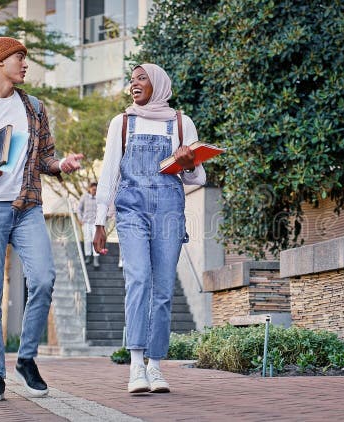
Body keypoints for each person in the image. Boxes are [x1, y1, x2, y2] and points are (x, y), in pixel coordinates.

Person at [0, 37, 83, 402]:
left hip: (27, 207)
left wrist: (61, 165)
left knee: (43, 278)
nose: (25, 65)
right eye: (20, 58)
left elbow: (45, 158)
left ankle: (26, 358)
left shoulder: (34, 108)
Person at [93, 63, 205, 394]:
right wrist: (100, 220)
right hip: (131, 213)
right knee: (138, 279)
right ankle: (135, 366)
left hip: (169, 213)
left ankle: (155, 367)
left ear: (158, 83)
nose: (134, 85)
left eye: (141, 78)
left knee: (164, 288)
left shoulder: (182, 124)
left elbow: (198, 178)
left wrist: (187, 164)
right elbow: (110, 171)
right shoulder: (122, 123)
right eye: (131, 80)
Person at [76, 182, 100, 268]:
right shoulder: (84, 197)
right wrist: (80, 219)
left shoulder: (99, 198)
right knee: (87, 239)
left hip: (95, 223)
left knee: (95, 241)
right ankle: (88, 257)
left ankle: (96, 259)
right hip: (86, 222)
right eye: (93, 189)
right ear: (90, 189)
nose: (95, 191)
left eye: (96, 190)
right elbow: (78, 209)